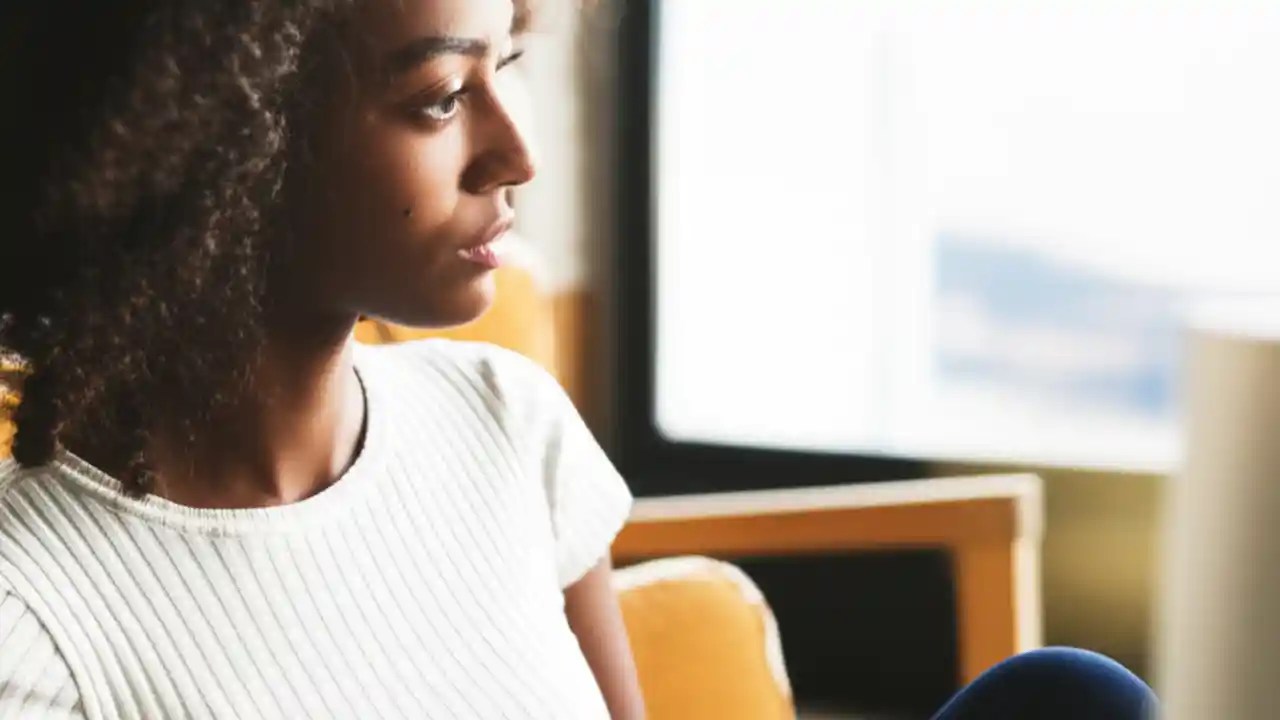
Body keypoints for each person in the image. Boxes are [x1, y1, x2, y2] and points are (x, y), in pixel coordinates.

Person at [0, 1, 1158, 718]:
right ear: (223, 146)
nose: (515, 150)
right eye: (441, 97)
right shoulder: (32, 610)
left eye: (509, 64)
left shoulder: (502, 418)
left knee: (1067, 699)